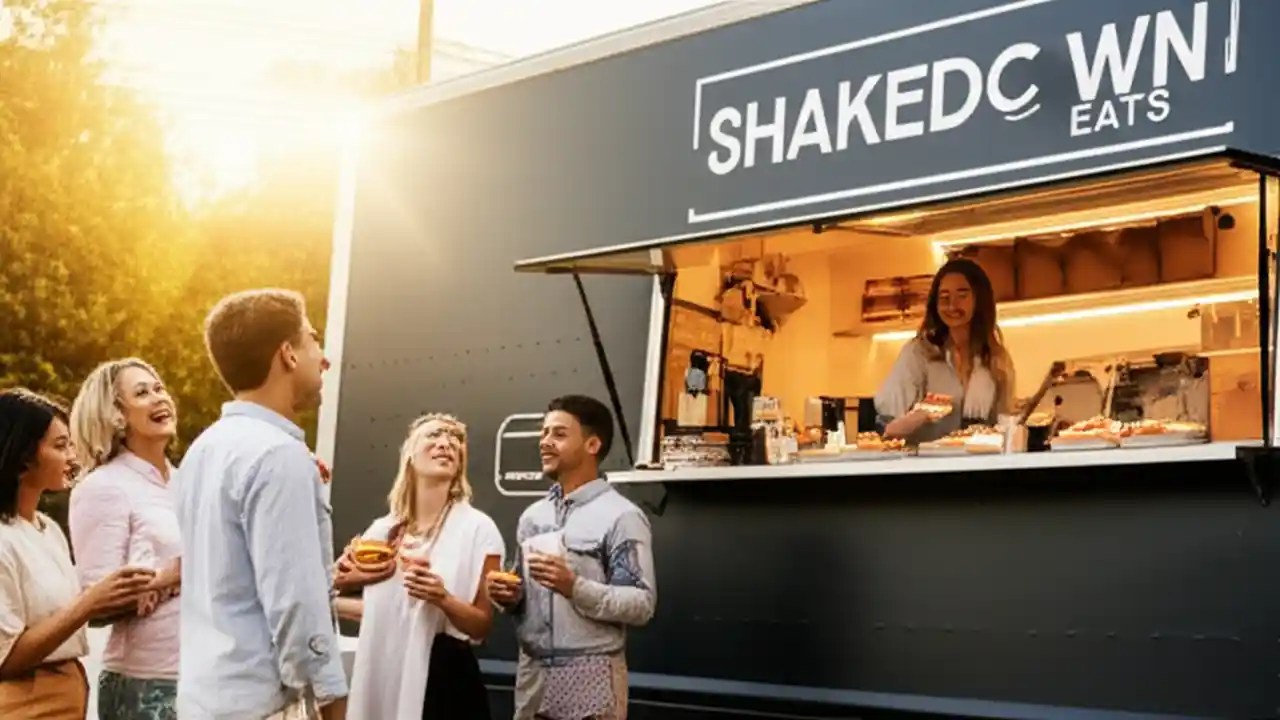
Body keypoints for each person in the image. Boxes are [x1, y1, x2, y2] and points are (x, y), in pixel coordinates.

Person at [175, 288, 347, 720]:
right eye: (313, 339)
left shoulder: (202, 449)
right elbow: (296, 604)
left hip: (204, 699)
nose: (322, 357)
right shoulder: (277, 455)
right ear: (287, 354)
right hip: (261, 706)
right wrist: (333, 704)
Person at [486, 395, 657, 720]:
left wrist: (574, 586)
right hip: (533, 675)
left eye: (559, 434)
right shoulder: (532, 517)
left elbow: (641, 604)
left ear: (593, 445)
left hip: (591, 673)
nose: (545, 443)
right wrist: (509, 596)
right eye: (544, 433)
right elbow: (523, 595)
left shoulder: (622, 517)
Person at [0, 388, 156, 716]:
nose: (73, 456)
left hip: (67, 696)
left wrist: (129, 594)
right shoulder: (4, 541)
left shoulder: (47, 529)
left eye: (70, 443)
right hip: (25, 704)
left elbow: (66, 620)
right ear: (22, 458)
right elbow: (5, 657)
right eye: (60, 446)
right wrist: (89, 604)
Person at [339, 413, 505, 719]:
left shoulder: (479, 529)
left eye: (454, 440)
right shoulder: (381, 532)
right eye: (434, 436)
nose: (446, 444)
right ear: (409, 454)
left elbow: (482, 625)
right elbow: (386, 611)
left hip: (445, 679)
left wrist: (442, 598)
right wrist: (338, 584)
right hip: (385, 667)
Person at [68, 358, 182, 720]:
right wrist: (176, 574)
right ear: (115, 414)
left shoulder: (186, 482)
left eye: (159, 388)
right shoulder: (103, 487)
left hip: (203, 675)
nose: (158, 398)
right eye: (142, 393)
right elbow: (95, 605)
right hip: (146, 685)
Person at [875, 258, 1016, 444]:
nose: (952, 305)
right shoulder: (919, 353)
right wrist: (922, 413)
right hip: (925, 467)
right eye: (944, 297)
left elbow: (1004, 424)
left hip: (978, 466)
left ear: (979, 299)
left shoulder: (995, 359)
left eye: (962, 295)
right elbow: (888, 429)